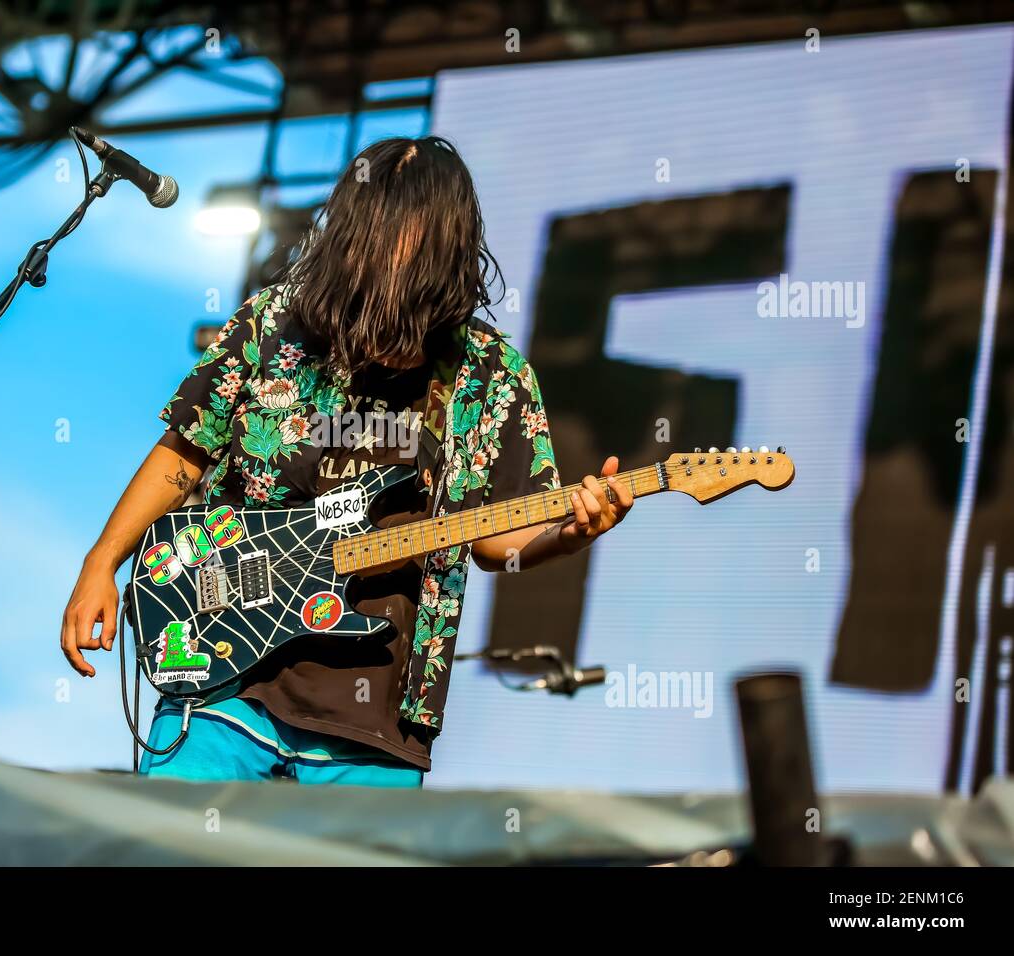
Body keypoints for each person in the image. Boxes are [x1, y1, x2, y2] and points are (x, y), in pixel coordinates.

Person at [60, 136, 632, 787]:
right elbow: (184, 452)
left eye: (405, 235)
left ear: (443, 247)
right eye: (371, 229)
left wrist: (571, 530)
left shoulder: (489, 375)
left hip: (378, 722)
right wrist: (102, 561)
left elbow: (499, 540)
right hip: (224, 683)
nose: (380, 253)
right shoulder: (275, 326)